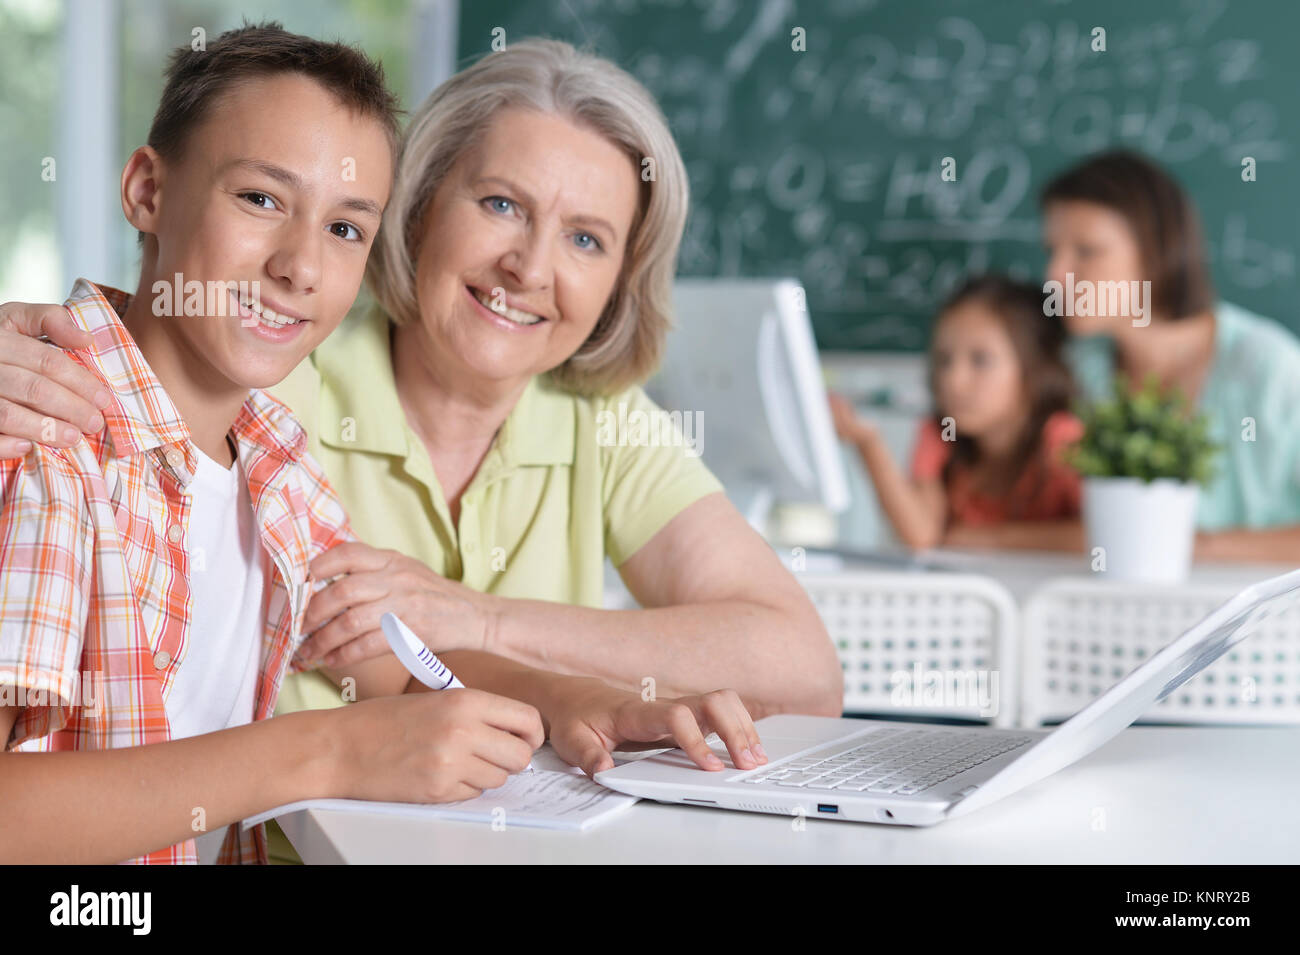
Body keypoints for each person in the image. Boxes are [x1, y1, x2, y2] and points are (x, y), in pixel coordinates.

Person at [0, 25, 763, 866]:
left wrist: (576, 698)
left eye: (346, 229)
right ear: (147, 190)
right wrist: (330, 748)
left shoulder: (276, 465)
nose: (300, 266)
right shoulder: (47, 444)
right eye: (260, 199)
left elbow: (387, 663)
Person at [1040, 149, 1300, 562]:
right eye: (1052, 252)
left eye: (1086, 251)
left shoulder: (1273, 369)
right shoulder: (1075, 370)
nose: (1055, 275)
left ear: (1156, 250)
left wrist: (1185, 547)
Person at [829, 275, 1082, 551]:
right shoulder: (940, 434)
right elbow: (922, 535)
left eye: (980, 360)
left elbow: (1099, 537)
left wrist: (987, 539)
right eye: (943, 360)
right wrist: (868, 443)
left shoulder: (1063, 438)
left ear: (1034, 369)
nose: (953, 380)